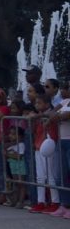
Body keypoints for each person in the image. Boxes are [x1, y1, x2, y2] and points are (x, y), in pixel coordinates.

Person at [27, 92, 60, 213]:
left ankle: (55, 202)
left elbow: (50, 117)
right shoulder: (38, 116)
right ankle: (41, 201)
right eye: (36, 103)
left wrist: (35, 116)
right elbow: (33, 130)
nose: (36, 105)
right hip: (38, 146)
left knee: (51, 176)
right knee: (40, 177)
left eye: (39, 103)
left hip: (49, 147)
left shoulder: (51, 113)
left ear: (47, 104)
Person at [52, 81, 70, 218]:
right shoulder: (64, 102)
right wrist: (57, 116)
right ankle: (64, 204)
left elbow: (64, 116)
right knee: (60, 175)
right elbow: (51, 113)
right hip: (61, 141)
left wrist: (57, 116)